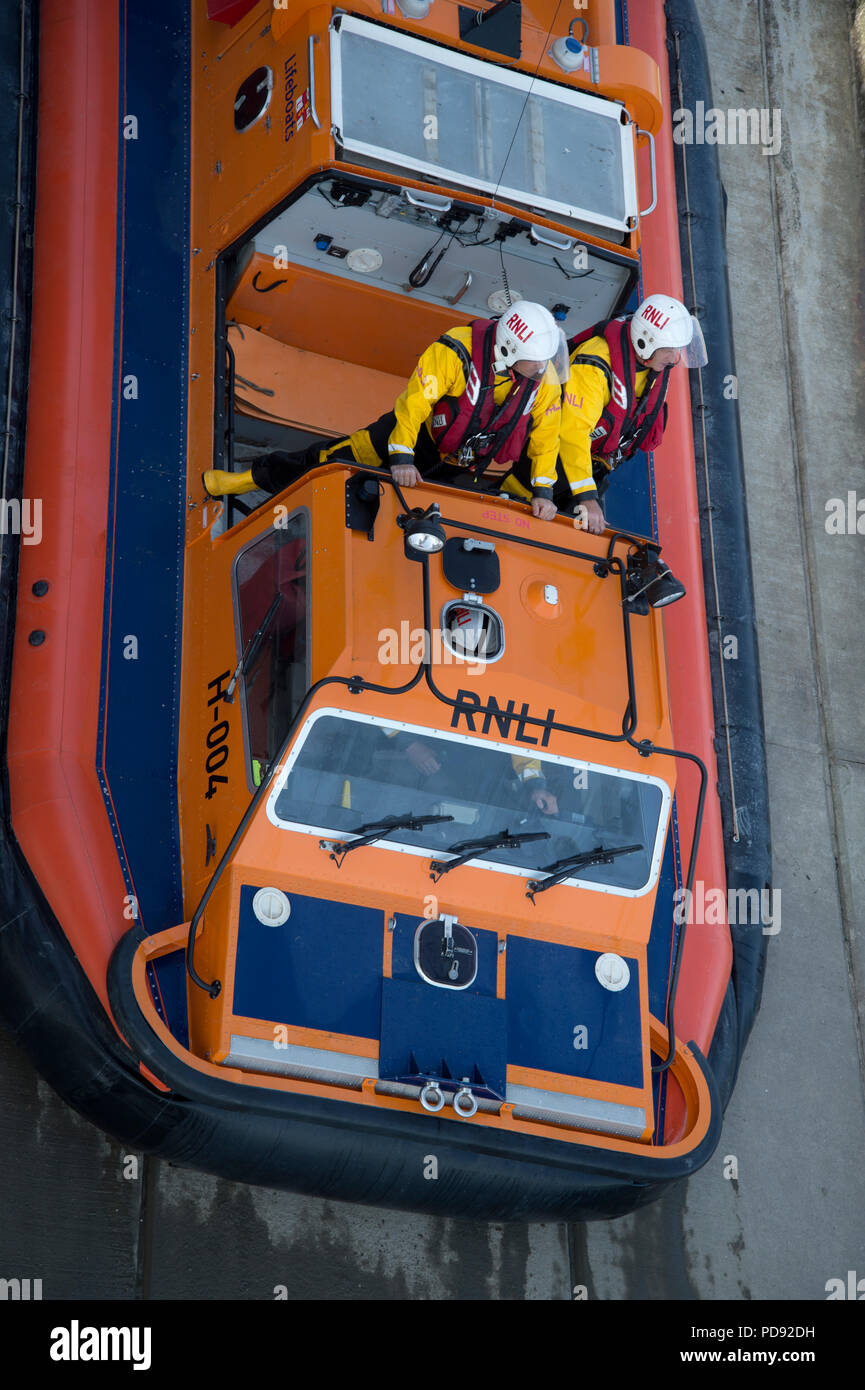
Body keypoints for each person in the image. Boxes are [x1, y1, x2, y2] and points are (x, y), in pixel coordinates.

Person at [204, 301, 569, 521]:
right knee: (326, 462)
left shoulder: (543, 377)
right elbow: (414, 404)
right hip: (410, 440)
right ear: (507, 350)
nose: (543, 368)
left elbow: (546, 439)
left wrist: (543, 492)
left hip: (463, 466)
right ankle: (245, 480)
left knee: (416, 518)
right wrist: (402, 458)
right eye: (536, 361)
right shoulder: (454, 351)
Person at [500, 294, 707, 533]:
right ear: (645, 342)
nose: (675, 358)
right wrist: (587, 496)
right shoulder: (594, 365)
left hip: (592, 467)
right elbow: (571, 433)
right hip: (549, 463)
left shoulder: (655, 366)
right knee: (514, 516)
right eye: (670, 350)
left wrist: (588, 491)